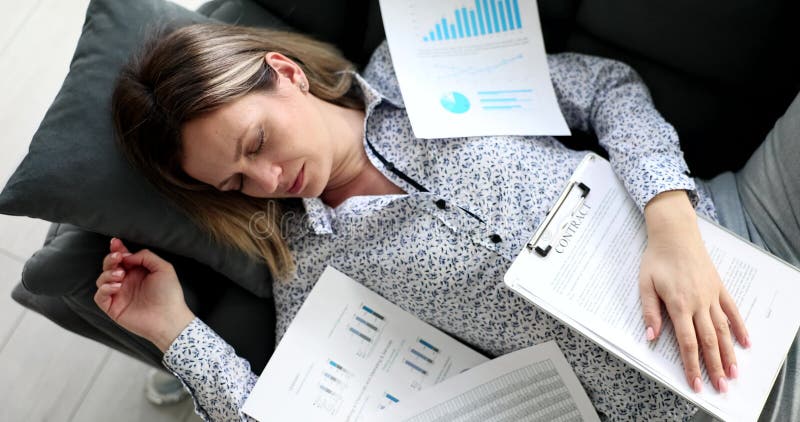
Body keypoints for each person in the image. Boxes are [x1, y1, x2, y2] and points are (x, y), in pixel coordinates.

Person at [95, 22, 799, 421]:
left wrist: (671, 223)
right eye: (238, 183)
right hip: (703, 402)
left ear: (284, 71)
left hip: (744, 224)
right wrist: (174, 332)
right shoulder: (313, 274)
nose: (270, 181)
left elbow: (601, 89)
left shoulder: (415, 70)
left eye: (256, 144)